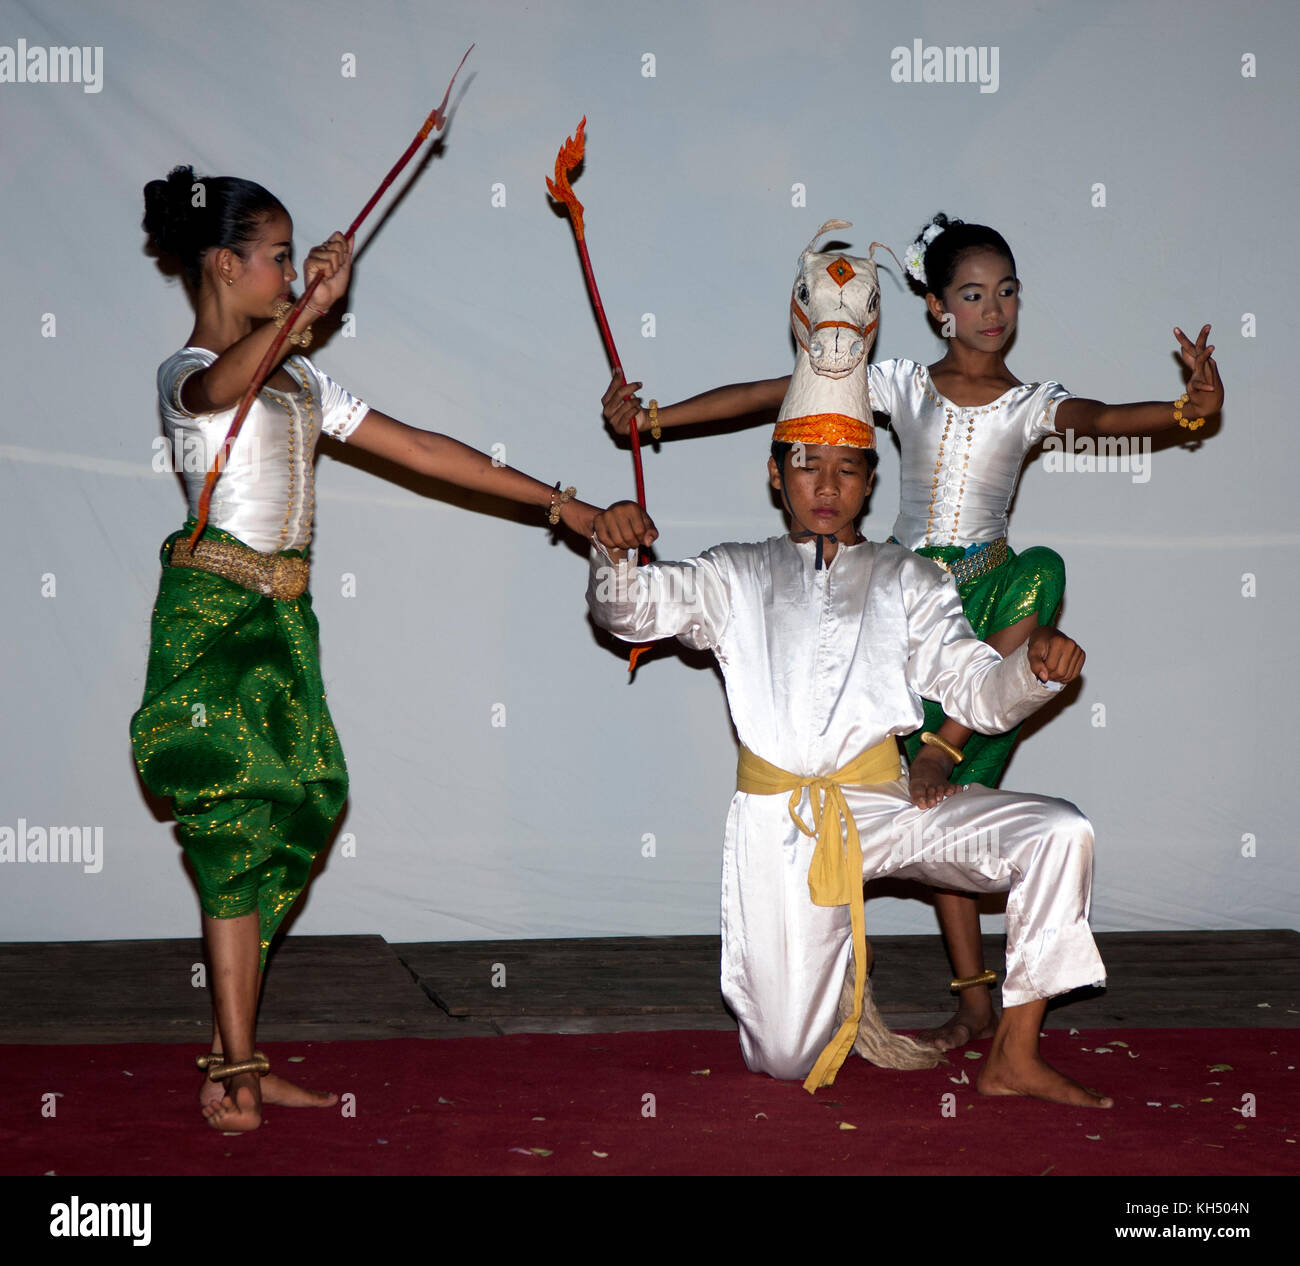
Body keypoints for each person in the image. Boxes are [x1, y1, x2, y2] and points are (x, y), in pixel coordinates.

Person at [601, 212, 1222, 1051]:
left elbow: (1107, 418)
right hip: (897, 592)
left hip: (989, 606)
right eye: (973, 293)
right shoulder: (900, 384)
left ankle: (953, 758)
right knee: (919, 819)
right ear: (937, 307)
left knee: (1032, 598)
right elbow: (770, 395)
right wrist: (658, 420)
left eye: (1007, 292)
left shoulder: (1032, 404)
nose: (993, 308)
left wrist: (1186, 412)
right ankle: (965, 997)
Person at [132, 165, 601, 1132]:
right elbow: (229, 381)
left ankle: (236, 1063)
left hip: (282, 624)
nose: (289, 270)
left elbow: (424, 450)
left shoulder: (300, 375)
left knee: (303, 803)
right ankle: (239, 1070)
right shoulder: (187, 378)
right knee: (232, 823)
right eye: (273, 258)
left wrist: (571, 506)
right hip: (212, 617)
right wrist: (303, 310)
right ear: (223, 264)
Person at [586, 405, 1111, 1106]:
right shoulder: (733, 572)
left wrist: (1033, 671)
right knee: (784, 1058)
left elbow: (977, 690)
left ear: (869, 483)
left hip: (886, 803)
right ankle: (823, 970)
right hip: (782, 821)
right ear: (776, 477)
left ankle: (1014, 1055)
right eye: (807, 466)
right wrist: (614, 544)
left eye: (847, 469)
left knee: (1059, 831)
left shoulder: (912, 579)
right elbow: (628, 614)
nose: (827, 485)